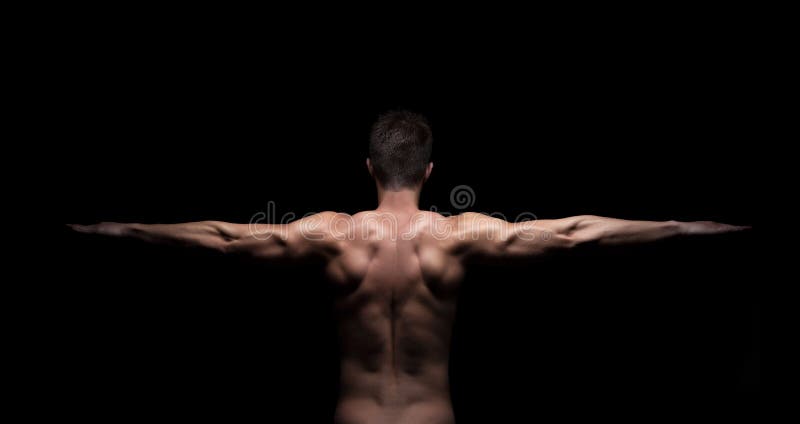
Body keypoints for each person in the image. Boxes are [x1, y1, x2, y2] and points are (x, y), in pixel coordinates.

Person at [69, 110, 749, 424]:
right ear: (429, 171)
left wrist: (119, 228)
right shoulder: (457, 236)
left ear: (368, 169)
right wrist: (685, 227)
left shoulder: (332, 235)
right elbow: (572, 236)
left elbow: (221, 239)